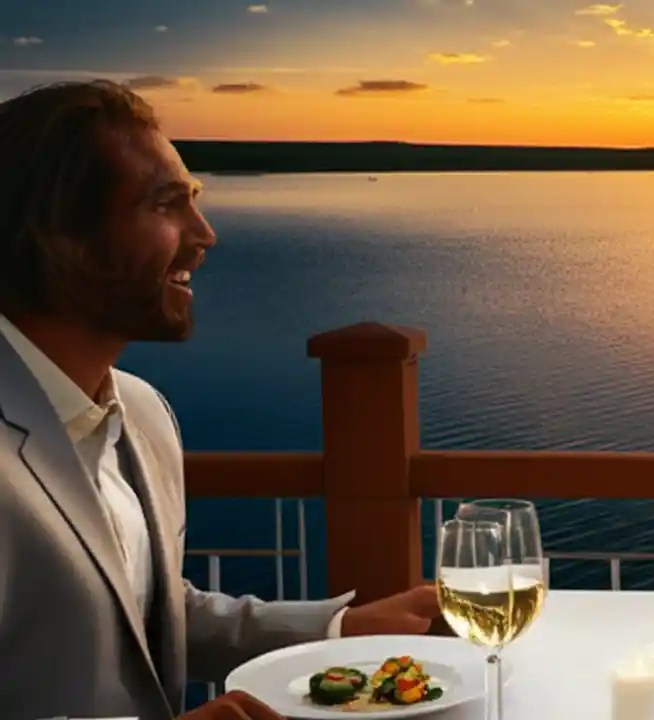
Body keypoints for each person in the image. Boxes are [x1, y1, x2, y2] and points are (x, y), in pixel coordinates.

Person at [0, 80, 446, 720]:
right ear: (54, 233)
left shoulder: (143, 413)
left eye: (196, 202)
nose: (204, 235)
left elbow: (142, 615)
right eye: (164, 206)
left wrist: (339, 629)